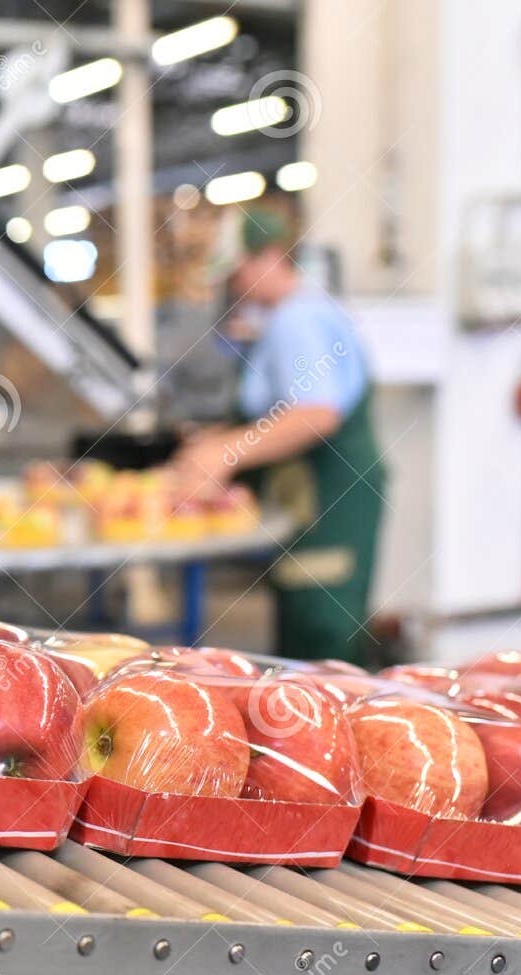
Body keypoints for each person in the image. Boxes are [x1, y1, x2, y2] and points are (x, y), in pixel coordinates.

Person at [170, 223, 385, 665]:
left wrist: (222, 453)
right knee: (305, 647)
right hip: (311, 502)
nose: (235, 282)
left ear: (271, 256)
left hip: (329, 503)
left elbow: (315, 413)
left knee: (322, 645)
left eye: (240, 268)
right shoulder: (295, 313)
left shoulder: (296, 319)